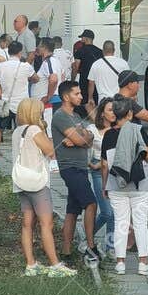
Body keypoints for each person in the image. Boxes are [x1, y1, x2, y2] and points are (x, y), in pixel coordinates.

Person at [11, 99, 73, 277]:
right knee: (47, 224)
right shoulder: (34, 130)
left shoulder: (17, 131)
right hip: (37, 182)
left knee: (27, 224)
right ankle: (55, 264)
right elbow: (51, 151)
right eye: (39, 110)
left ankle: (30, 264)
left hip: (22, 181)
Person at [101, 94, 148, 275]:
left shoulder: (108, 135)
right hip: (139, 184)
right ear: (130, 114)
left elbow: (104, 164)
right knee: (140, 223)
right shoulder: (138, 131)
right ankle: (143, 263)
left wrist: (105, 186)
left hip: (116, 184)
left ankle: (120, 264)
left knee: (120, 223)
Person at [52, 80, 100, 267]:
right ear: (66, 96)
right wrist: (82, 138)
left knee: (72, 209)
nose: (81, 97)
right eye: (77, 94)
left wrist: (84, 137)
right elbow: (81, 139)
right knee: (91, 202)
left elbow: (88, 136)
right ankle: (90, 245)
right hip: (70, 167)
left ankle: (66, 250)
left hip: (80, 166)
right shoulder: (61, 116)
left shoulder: (75, 115)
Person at [0, 39, 33, 161]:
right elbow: (35, 78)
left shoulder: (0, 66)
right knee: (23, 132)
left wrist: (1, 98)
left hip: (6, 104)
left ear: (8, 51)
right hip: (22, 105)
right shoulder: (26, 66)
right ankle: (22, 158)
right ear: (20, 52)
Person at [87, 98, 117, 255]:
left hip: (115, 171)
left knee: (113, 213)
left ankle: (105, 245)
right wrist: (94, 164)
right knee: (107, 212)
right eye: (110, 110)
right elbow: (85, 150)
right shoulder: (92, 129)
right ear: (102, 113)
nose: (113, 113)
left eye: (115, 110)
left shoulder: (118, 129)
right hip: (98, 170)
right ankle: (94, 240)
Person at [87, 40, 124, 107]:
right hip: (119, 99)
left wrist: (90, 98)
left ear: (103, 50)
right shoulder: (123, 63)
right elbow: (129, 81)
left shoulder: (96, 64)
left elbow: (91, 83)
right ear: (114, 50)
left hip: (103, 100)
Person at [72, 28, 103, 93]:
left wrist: (72, 81)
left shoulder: (80, 51)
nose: (81, 39)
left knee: (85, 100)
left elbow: (76, 67)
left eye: (82, 37)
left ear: (86, 38)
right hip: (97, 81)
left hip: (84, 81)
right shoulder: (100, 51)